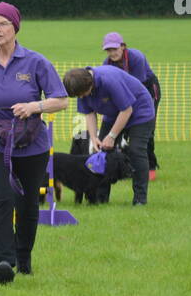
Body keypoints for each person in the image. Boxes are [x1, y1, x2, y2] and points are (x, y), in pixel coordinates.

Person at [0, 3, 69, 284]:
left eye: (2, 24)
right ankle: (3, 262)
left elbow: (62, 100)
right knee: (2, 196)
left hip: (32, 143)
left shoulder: (35, 62)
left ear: (15, 28)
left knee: (28, 203)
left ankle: (23, 259)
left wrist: (34, 106)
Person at [62, 64, 156, 207]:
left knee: (136, 150)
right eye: (78, 96)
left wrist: (112, 136)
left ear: (90, 84)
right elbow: (89, 113)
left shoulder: (109, 81)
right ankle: (100, 199)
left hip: (139, 113)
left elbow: (126, 110)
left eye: (82, 94)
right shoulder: (80, 86)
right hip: (112, 115)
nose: (81, 97)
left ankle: (139, 199)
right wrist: (94, 138)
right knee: (101, 152)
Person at [100, 31, 161, 178]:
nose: (112, 53)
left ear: (123, 46)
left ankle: (150, 168)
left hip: (146, 91)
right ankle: (122, 167)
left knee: (146, 131)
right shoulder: (106, 64)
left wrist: (124, 112)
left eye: (114, 49)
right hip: (122, 95)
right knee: (122, 128)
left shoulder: (136, 57)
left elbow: (136, 87)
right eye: (108, 50)